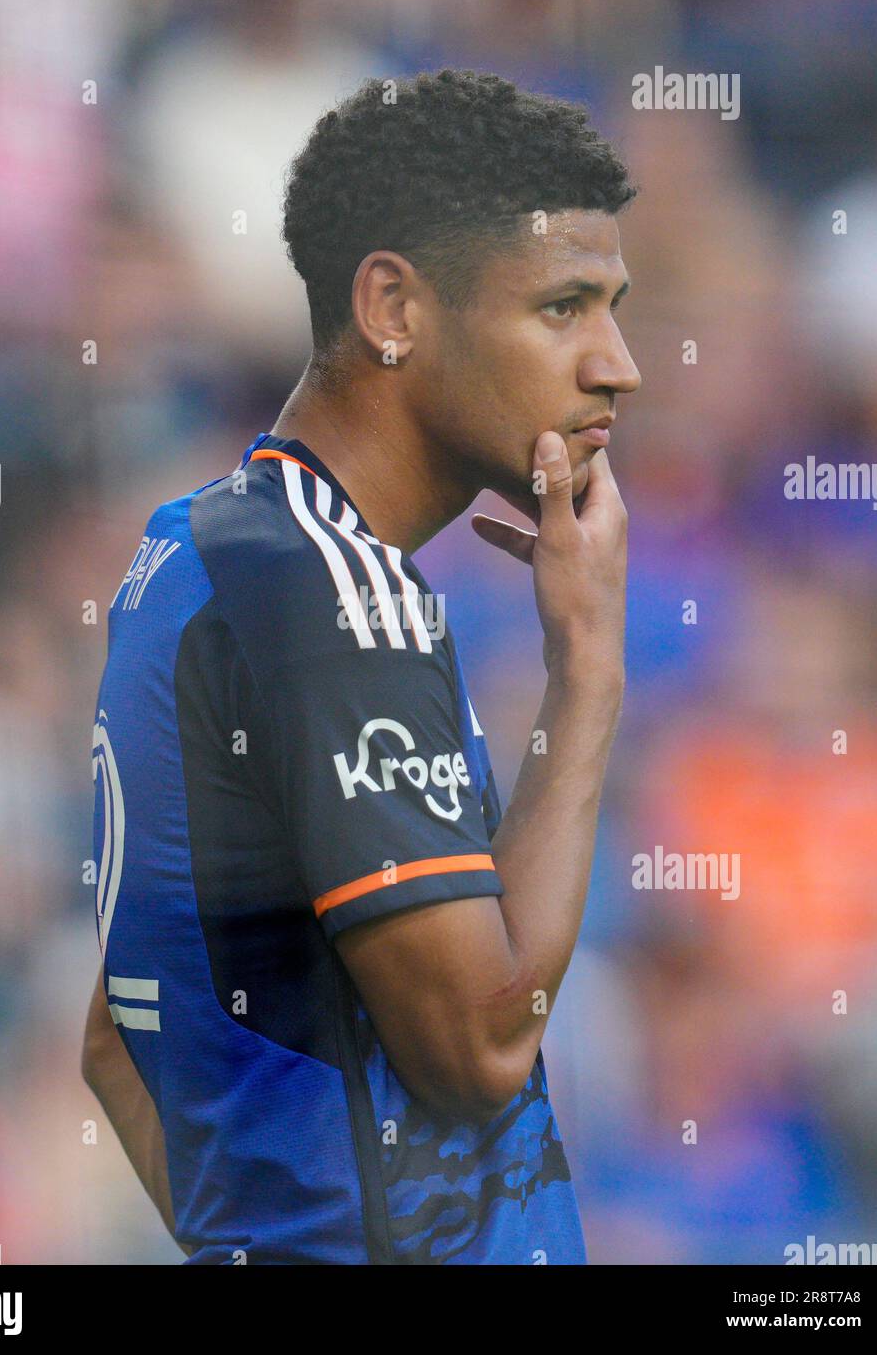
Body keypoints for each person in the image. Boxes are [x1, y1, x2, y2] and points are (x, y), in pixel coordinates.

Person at [82, 68, 640, 1265]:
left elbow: (117, 1045)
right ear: (391, 304)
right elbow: (483, 1050)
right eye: (562, 307)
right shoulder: (333, 595)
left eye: (614, 308)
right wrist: (585, 671)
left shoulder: (191, 551)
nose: (616, 365)